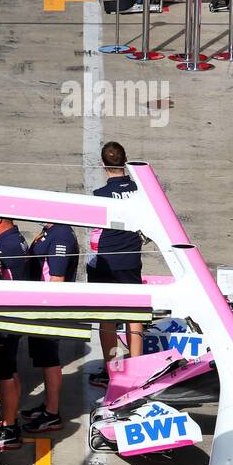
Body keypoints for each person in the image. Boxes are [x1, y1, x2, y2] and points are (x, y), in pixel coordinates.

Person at [89, 141, 145, 387]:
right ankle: (137, 365)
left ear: (103, 164)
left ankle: (111, 368)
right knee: (135, 314)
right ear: (126, 161)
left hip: (107, 261)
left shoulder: (100, 195)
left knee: (107, 317)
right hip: (131, 259)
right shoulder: (140, 190)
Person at [22, 217, 81, 434]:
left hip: (48, 310)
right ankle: (48, 406)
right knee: (45, 358)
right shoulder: (52, 231)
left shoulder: (61, 236)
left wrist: (44, 311)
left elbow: (57, 279)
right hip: (41, 307)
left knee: (50, 360)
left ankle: (52, 413)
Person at [0, 216, 33, 451]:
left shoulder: (6, 247)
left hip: (4, 322)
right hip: (10, 318)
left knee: (5, 374)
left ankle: (10, 427)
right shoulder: (14, 240)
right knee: (8, 371)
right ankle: (10, 423)